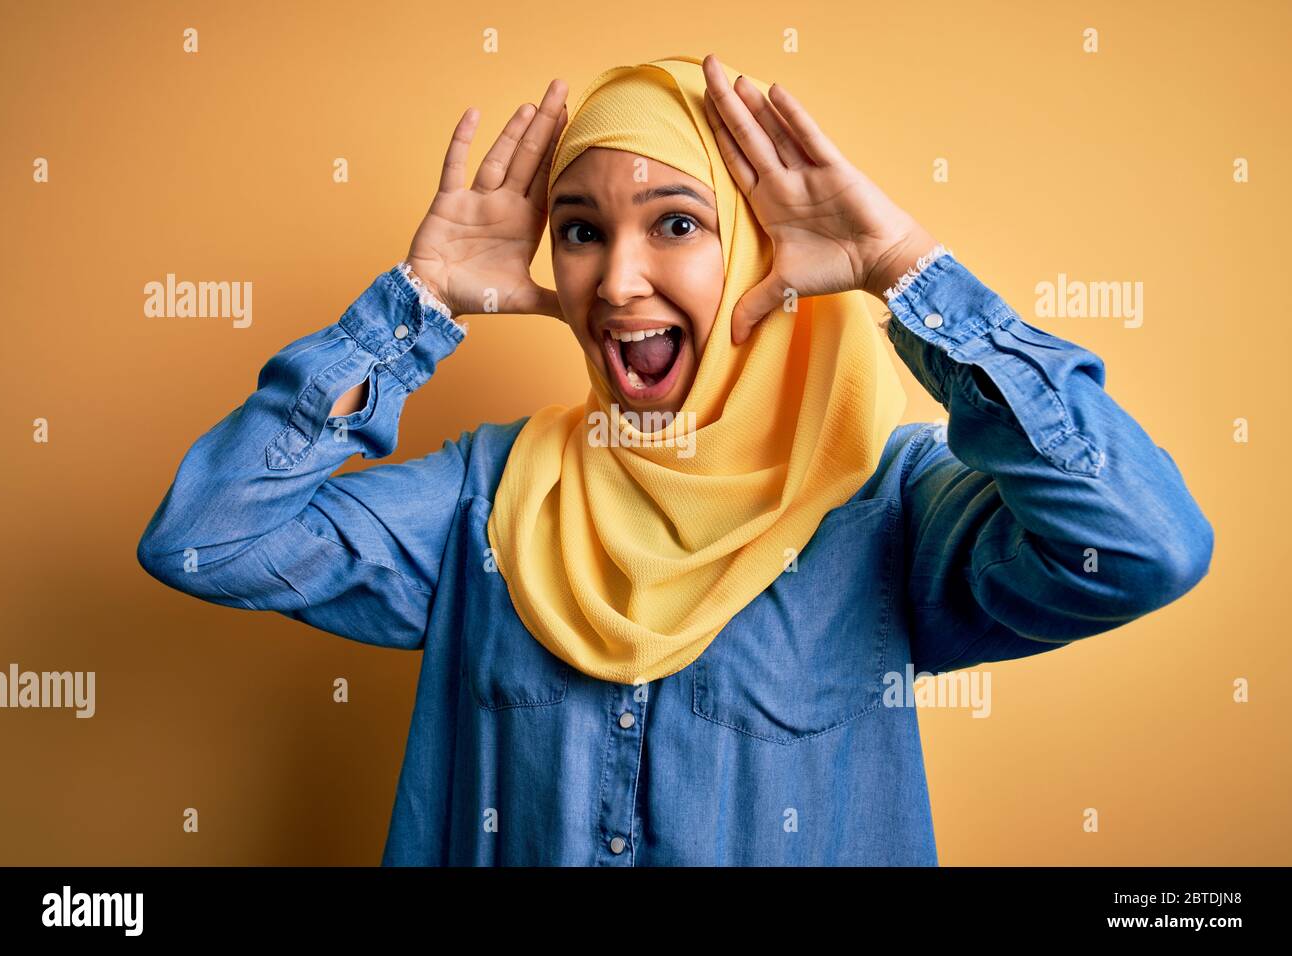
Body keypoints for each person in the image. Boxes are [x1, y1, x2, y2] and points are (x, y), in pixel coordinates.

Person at [137, 54, 1214, 865]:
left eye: (677, 224)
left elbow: (1144, 548)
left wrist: (902, 271)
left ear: (756, 250)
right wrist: (411, 312)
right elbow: (203, 542)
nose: (615, 283)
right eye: (579, 230)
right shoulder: (490, 499)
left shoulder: (883, 508)